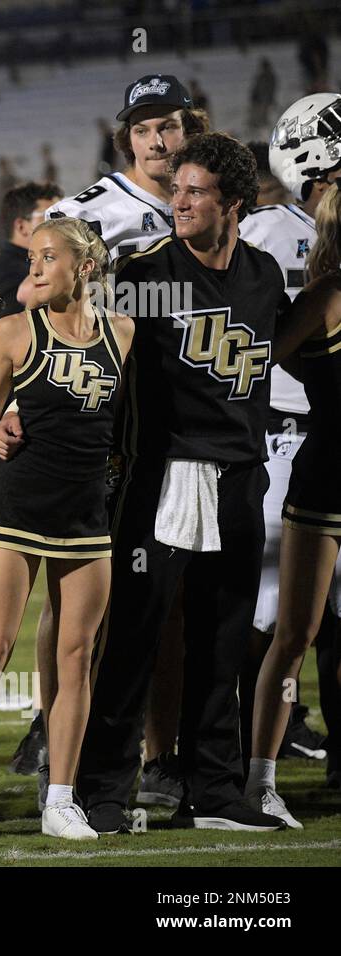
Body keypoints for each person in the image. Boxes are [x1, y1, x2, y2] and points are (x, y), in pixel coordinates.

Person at [67, 132, 289, 833]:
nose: (179, 201)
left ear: (235, 205)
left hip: (242, 473)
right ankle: (102, 791)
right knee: (135, 635)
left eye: (196, 192)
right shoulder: (143, 272)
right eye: (176, 189)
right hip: (165, 473)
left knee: (223, 640)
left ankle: (216, 792)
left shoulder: (262, 274)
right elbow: (85, 345)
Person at [10, 75, 211, 810]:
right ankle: (49, 726)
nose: (158, 140)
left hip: (181, 423)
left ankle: (161, 757)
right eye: (144, 128)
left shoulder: (211, 199)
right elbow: (30, 298)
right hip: (100, 429)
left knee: (170, 601)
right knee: (73, 597)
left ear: (191, 128)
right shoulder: (87, 212)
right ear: (126, 137)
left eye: (171, 125)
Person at [0, 216, 132, 843]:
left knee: (75, 659)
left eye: (49, 258)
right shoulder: (14, 333)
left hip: (87, 516)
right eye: (32, 259)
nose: (36, 269)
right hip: (17, 509)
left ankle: (61, 798)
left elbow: (127, 432)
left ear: (85, 267)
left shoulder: (124, 336)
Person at [239, 94, 341, 799]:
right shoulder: (280, 239)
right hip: (297, 448)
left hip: (313, 451)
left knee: (297, 626)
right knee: (281, 620)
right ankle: (252, 770)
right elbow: (251, 353)